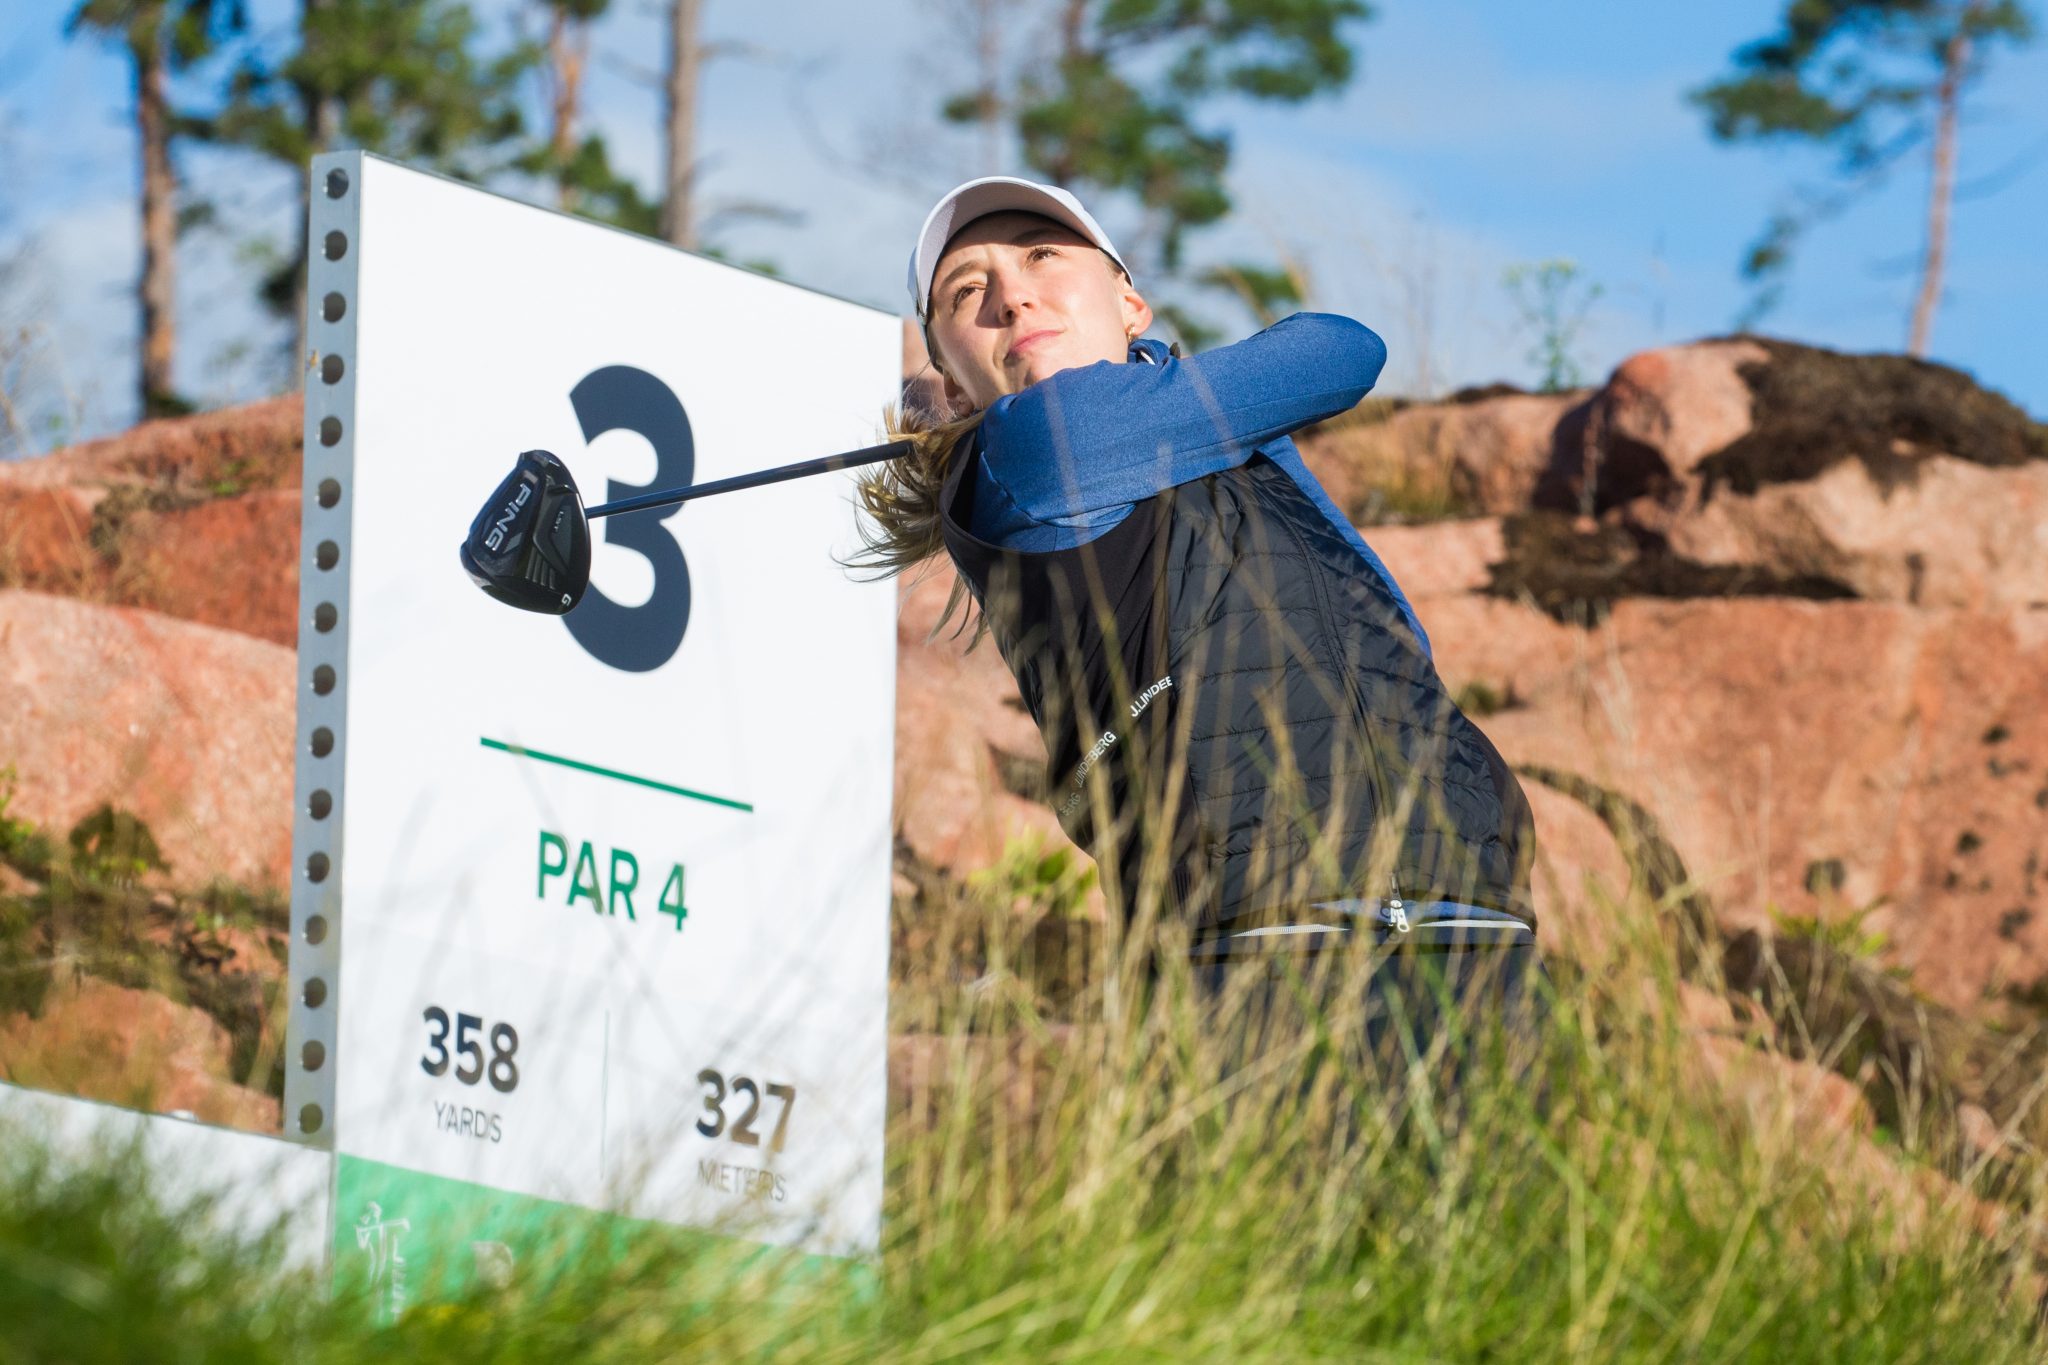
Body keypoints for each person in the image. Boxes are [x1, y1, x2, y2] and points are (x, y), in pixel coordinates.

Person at [855, 175, 1542, 1070]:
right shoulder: (1039, 439)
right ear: (949, 378)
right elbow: (1337, 351)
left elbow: (1397, 641)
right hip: (1260, 943)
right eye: (965, 291)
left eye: (1040, 255)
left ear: (1128, 299)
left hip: (1457, 920)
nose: (1011, 292)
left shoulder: (1214, 444)